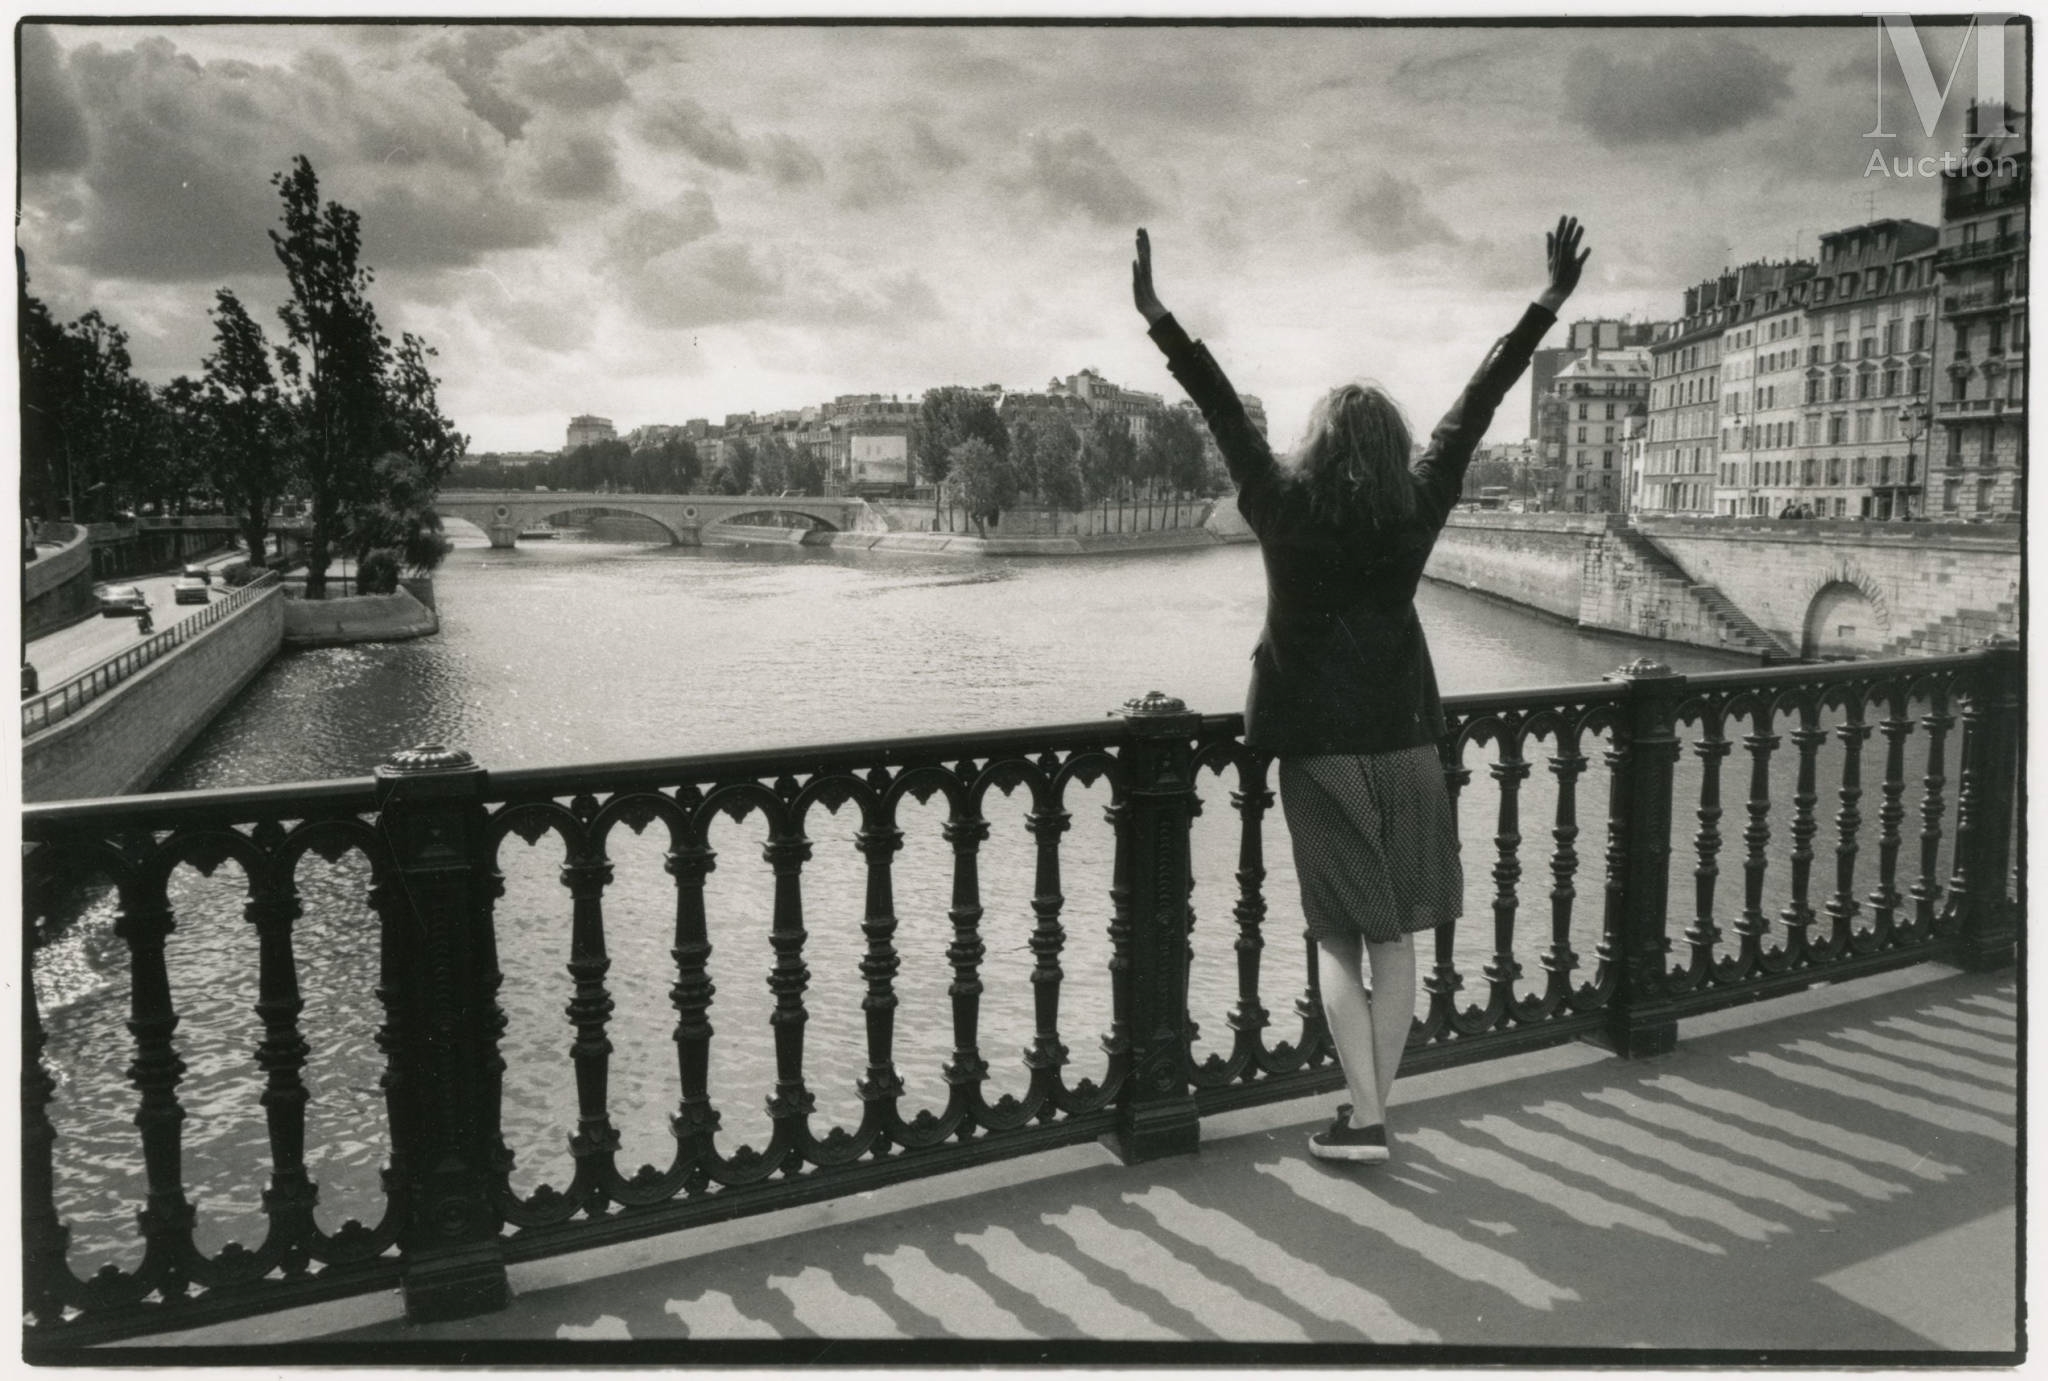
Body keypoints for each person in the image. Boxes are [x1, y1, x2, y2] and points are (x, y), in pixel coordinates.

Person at [1132, 216, 1587, 1163]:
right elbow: (1477, 402)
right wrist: (1543, 305)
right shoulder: (1417, 507)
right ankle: (1373, 1113)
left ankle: (1368, 1118)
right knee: (1397, 939)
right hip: (1412, 751)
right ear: (1390, 447)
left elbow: (1222, 411)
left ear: (1315, 441)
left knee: (1340, 938)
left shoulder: (1282, 505)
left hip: (1322, 756)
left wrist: (1161, 320)